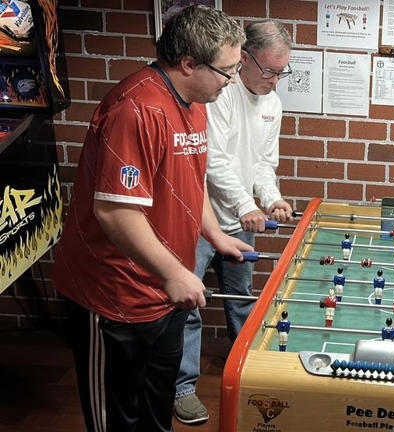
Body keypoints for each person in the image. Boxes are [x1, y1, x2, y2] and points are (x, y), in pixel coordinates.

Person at [52, 6, 248, 432]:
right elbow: (116, 212)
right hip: (114, 293)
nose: (232, 82)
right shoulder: (135, 108)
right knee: (118, 414)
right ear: (188, 63)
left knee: (157, 402)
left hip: (164, 288)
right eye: (227, 71)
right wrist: (175, 272)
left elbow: (189, 184)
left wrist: (215, 234)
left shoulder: (196, 103)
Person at [174, 18, 294, 423]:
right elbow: (213, 160)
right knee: (188, 303)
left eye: (282, 71)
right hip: (200, 217)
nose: (276, 81)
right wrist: (246, 204)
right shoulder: (219, 94)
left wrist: (272, 198)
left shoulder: (272, 103)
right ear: (244, 59)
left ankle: (247, 371)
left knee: (241, 299)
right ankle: (183, 387)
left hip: (242, 221)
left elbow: (263, 163)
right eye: (270, 71)